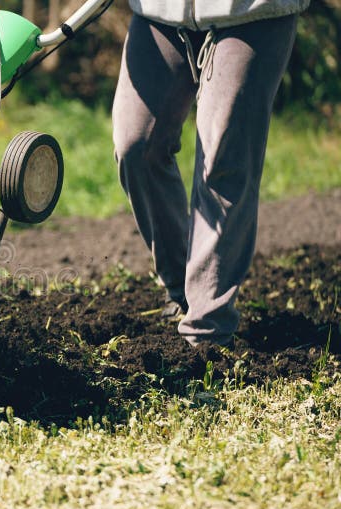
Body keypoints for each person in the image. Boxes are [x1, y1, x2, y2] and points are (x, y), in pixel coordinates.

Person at [112, 0, 310, 347]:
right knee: (136, 145)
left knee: (224, 160)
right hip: (159, 12)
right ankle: (180, 290)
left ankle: (207, 330)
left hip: (250, 12)